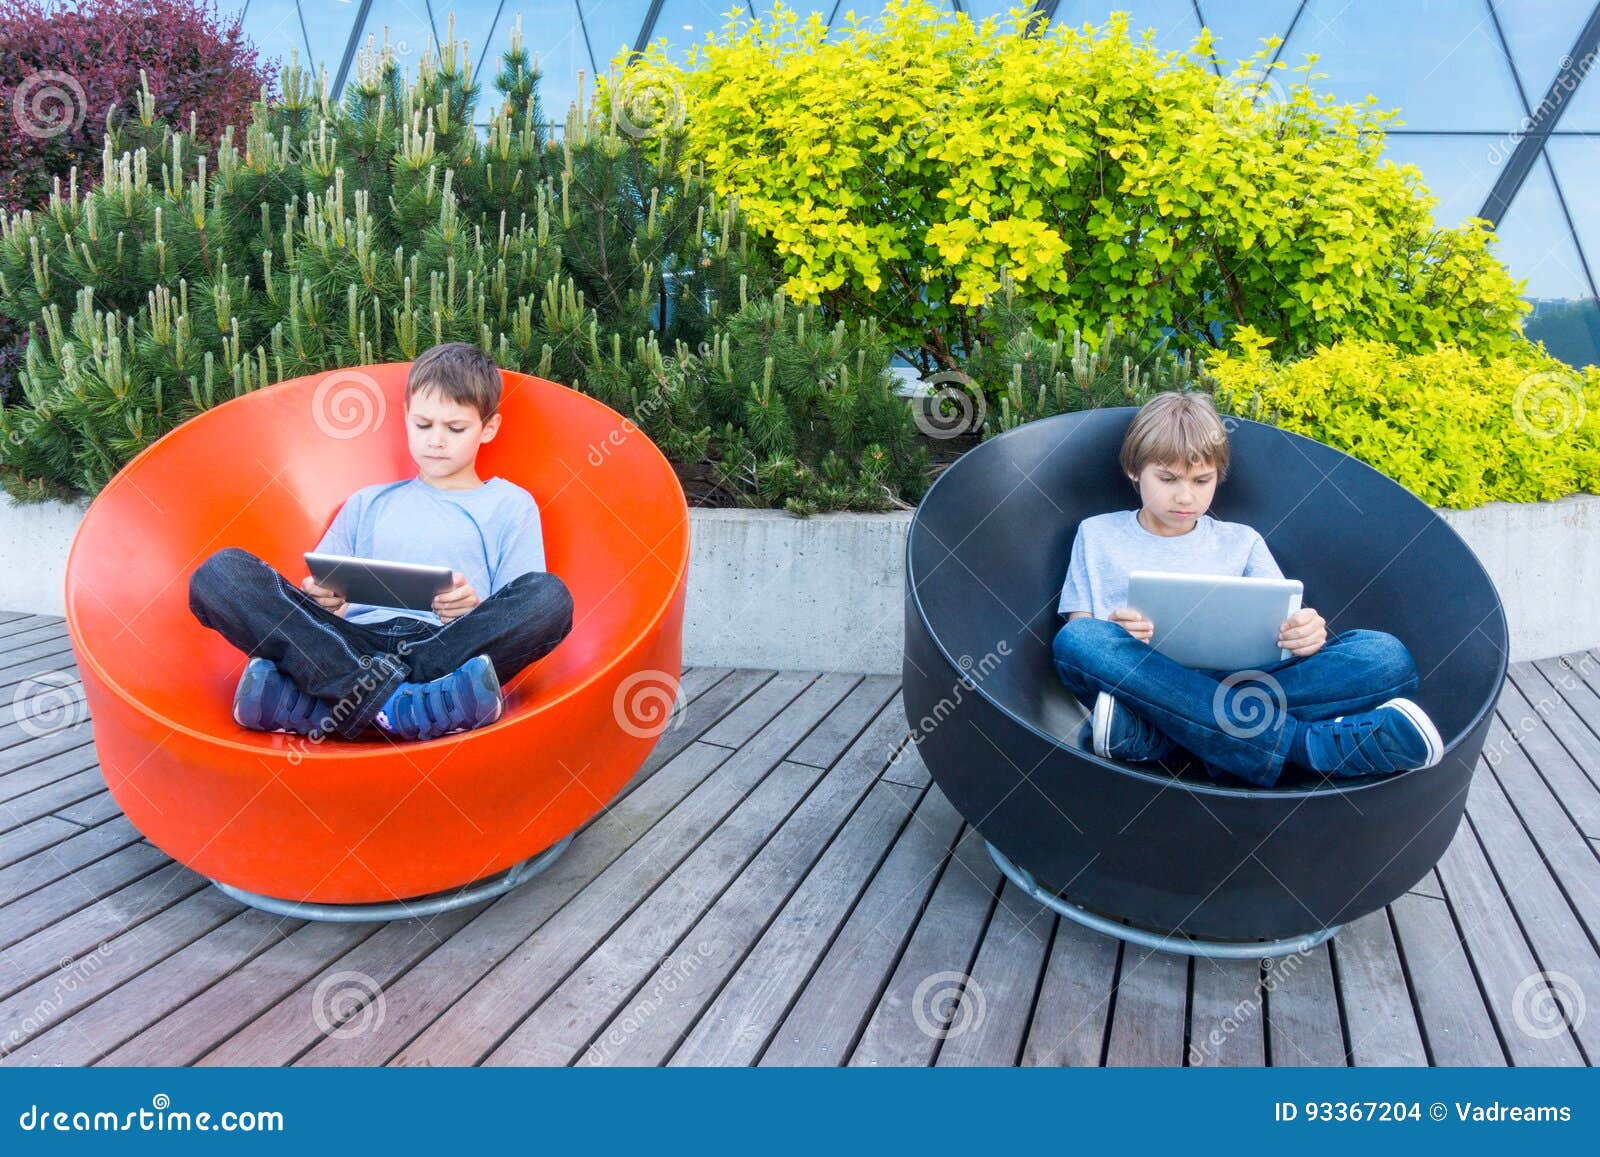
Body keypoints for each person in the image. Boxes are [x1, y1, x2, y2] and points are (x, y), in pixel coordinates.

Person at [1051, 390, 1445, 788]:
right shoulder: (1097, 534)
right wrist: (1117, 632)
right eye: (1167, 479)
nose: (1185, 496)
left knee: (1385, 658)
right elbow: (1083, 634)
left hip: (1245, 685)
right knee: (1080, 641)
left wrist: (1307, 632)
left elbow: (1286, 627)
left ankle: (1166, 739)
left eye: (1201, 480)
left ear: (1218, 477)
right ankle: (1306, 746)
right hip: (1145, 680)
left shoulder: (1242, 542)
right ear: (1135, 471)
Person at [188, 342, 575, 743]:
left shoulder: (510, 505)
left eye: (455, 428)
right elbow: (322, 596)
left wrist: (470, 608)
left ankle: (319, 705)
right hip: (347, 646)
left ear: (488, 428)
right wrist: (325, 600)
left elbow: (518, 600)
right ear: (406, 417)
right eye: (423, 425)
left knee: (550, 598)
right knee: (220, 574)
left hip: (444, 648)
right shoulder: (366, 503)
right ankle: (402, 706)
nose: (436, 441)